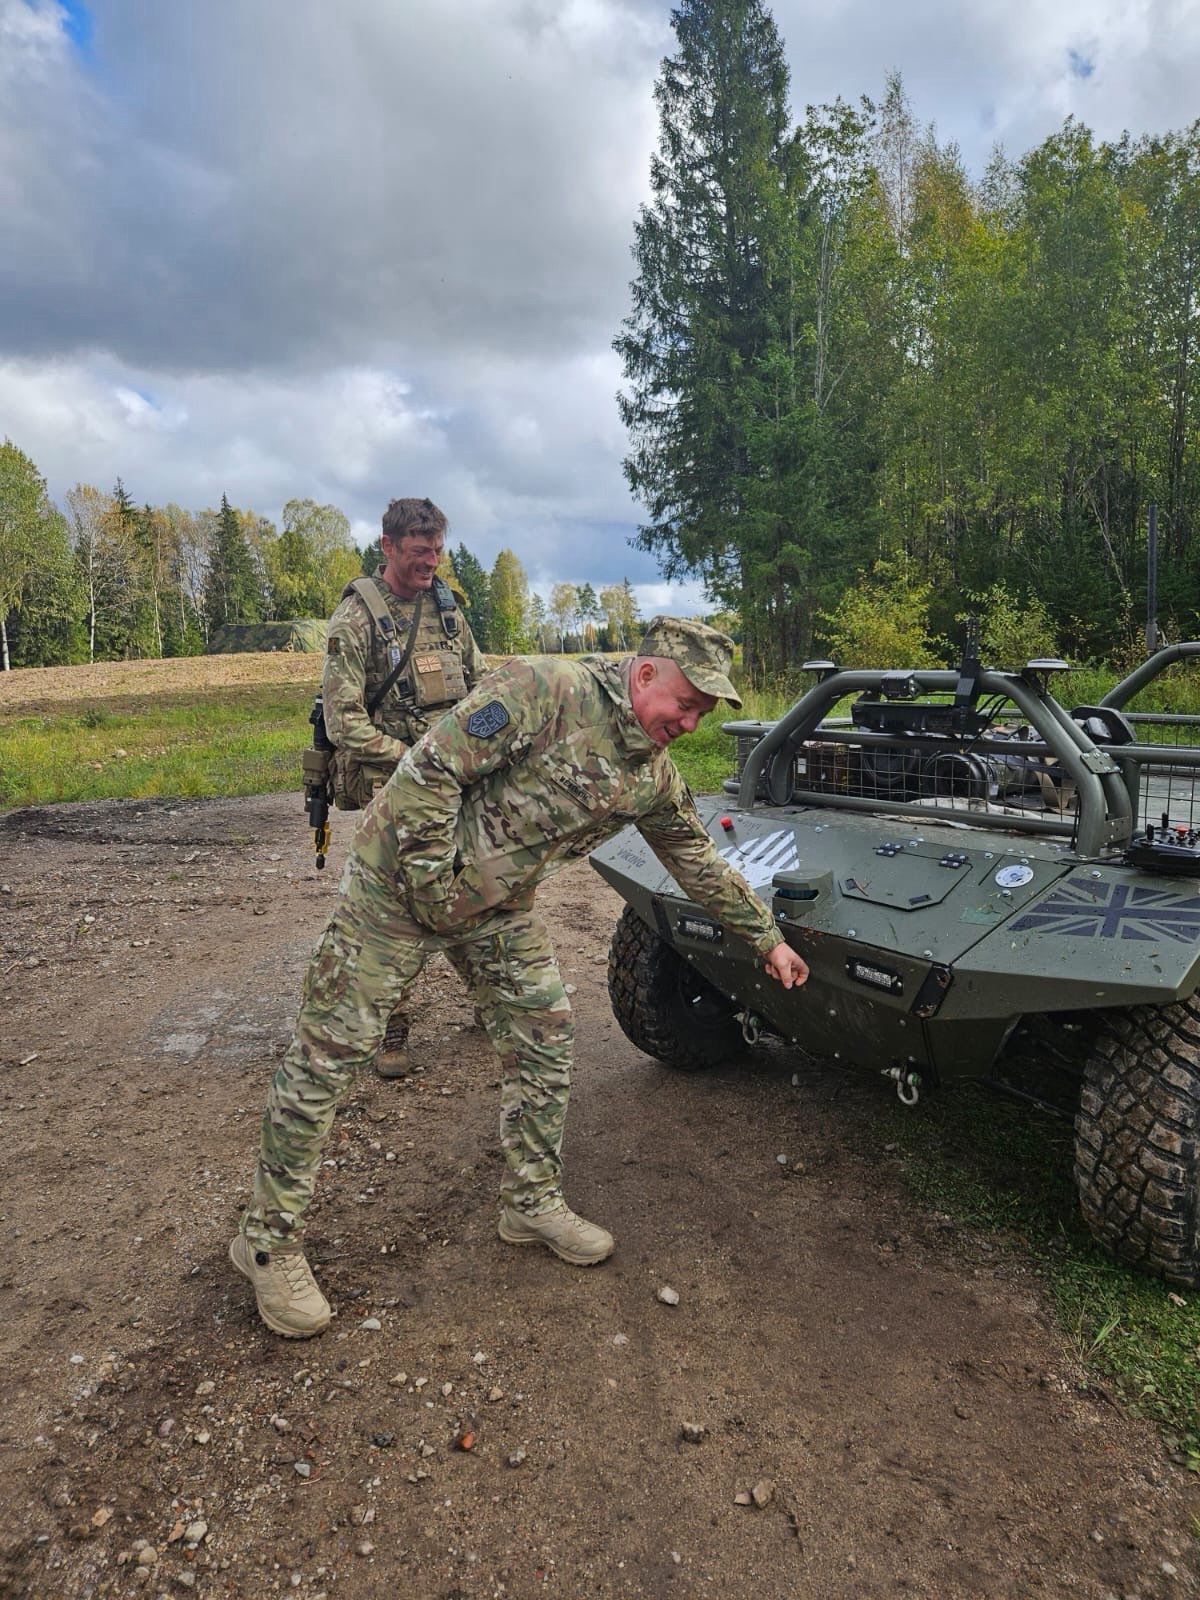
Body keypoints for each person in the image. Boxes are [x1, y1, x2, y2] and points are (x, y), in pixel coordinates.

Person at [230, 616, 810, 1338]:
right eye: (685, 703)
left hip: (492, 905)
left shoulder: (649, 773)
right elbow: (431, 769)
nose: (689, 723)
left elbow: (695, 859)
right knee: (331, 1053)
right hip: (398, 886)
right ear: (648, 672)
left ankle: (529, 1203)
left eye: (701, 714)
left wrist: (767, 941)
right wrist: (430, 883)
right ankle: (265, 1241)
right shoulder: (547, 690)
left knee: (545, 1031)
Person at [322, 495, 486, 1078]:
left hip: (454, 786)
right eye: (419, 552)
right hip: (392, 790)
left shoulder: (448, 612)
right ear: (388, 546)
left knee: (469, 887)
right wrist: (412, 762)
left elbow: (482, 691)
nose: (431, 562)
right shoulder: (357, 619)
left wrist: (486, 750)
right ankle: (392, 1024)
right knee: (400, 907)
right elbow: (344, 724)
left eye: (437, 551)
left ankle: (488, 1002)